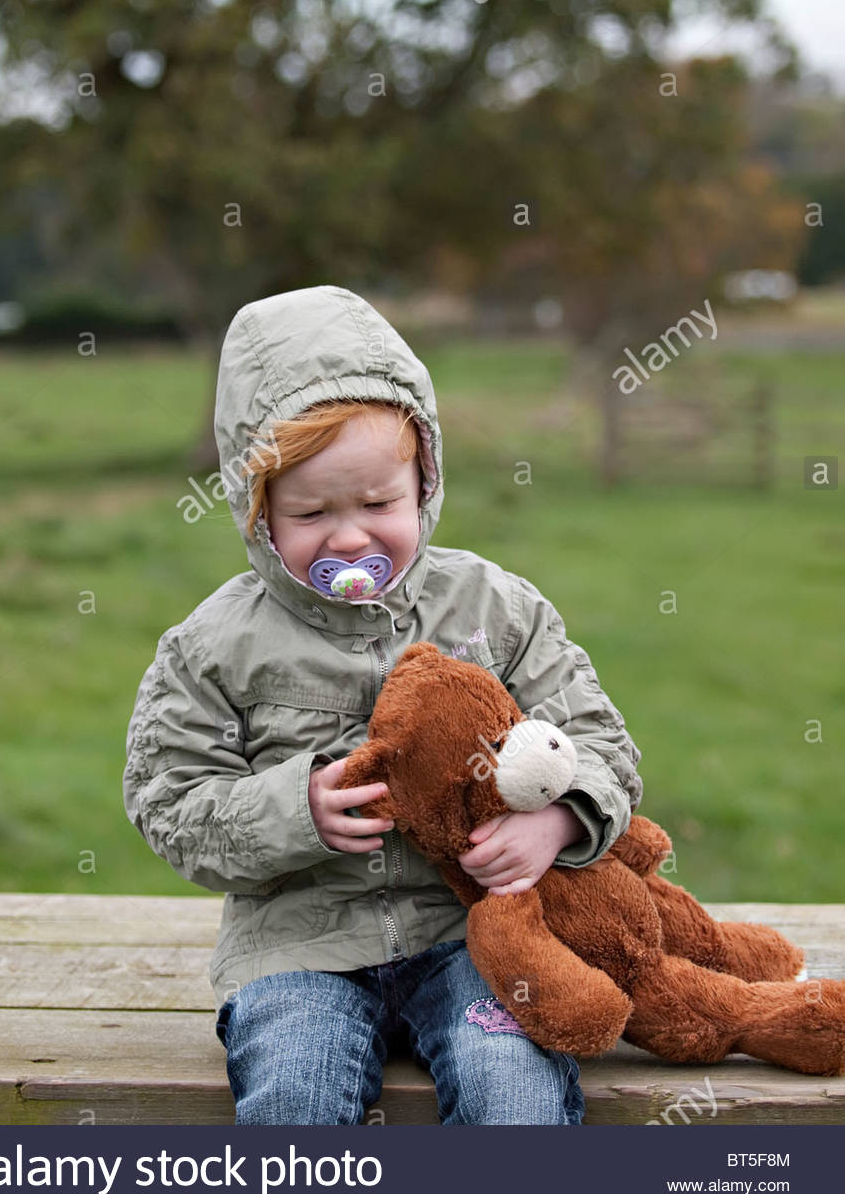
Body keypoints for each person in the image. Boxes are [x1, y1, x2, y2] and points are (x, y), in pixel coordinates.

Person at [124, 285, 643, 1125]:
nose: (351, 538)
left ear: (423, 483)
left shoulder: (494, 608)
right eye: (308, 512)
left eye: (378, 504)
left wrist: (560, 820)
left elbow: (597, 737)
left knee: (510, 1088)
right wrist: (295, 809)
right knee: (294, 1097)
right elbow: (168, 799)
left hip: (472, 936)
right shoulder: (210, 646)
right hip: (299, 948)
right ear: (256, 514)